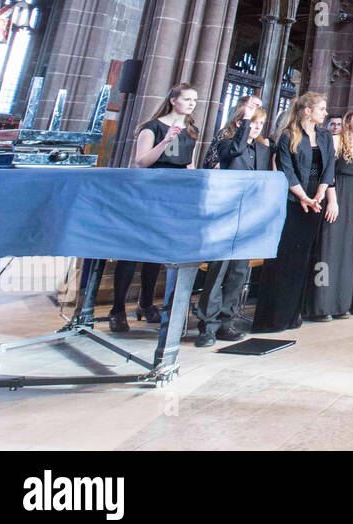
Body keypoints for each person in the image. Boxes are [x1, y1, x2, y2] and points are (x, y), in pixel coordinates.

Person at [113, 82, 201, 333]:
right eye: (187, 99)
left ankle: (146, 303)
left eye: (194, 100)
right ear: (173, 100)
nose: (192, 104)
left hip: (174, 197)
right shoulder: (152, 127)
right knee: (133, 253)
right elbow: (141, 162)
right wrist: (165, 142)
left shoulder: (191, 130)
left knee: (157, 253)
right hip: (149, 194)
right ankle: (118, 310)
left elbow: (189, 164)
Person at [253, 92, 335, 332]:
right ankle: (275, 317)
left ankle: (293, 313)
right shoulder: (288, 135)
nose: (325, 112)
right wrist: (304, 197)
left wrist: (319, 193)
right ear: (307, 111)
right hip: (293, 200)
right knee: (285, 258)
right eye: (321, 108)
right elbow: (286, 171)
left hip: (315, 201)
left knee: (304, 260)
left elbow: (329, 165)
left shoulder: (324, 135)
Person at [195, 97, 267, 347]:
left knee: (238, 271)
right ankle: (208, 325)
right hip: (225, 215)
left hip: (247, 216)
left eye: (260, 124)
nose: (256, 129)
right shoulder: (227, 145)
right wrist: (245, 122)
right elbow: (234, 151)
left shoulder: (261, 150)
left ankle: (228, 321)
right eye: (253, 124)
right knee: (218, 271)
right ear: (240, 123)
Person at [307, 106, 353, 321]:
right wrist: (332, 200)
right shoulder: (335, 140)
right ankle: (321, 304)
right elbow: (328, 172)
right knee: (327, 250)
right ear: (348, 120)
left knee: (346, 251)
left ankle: (341, 303)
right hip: (334, 194)